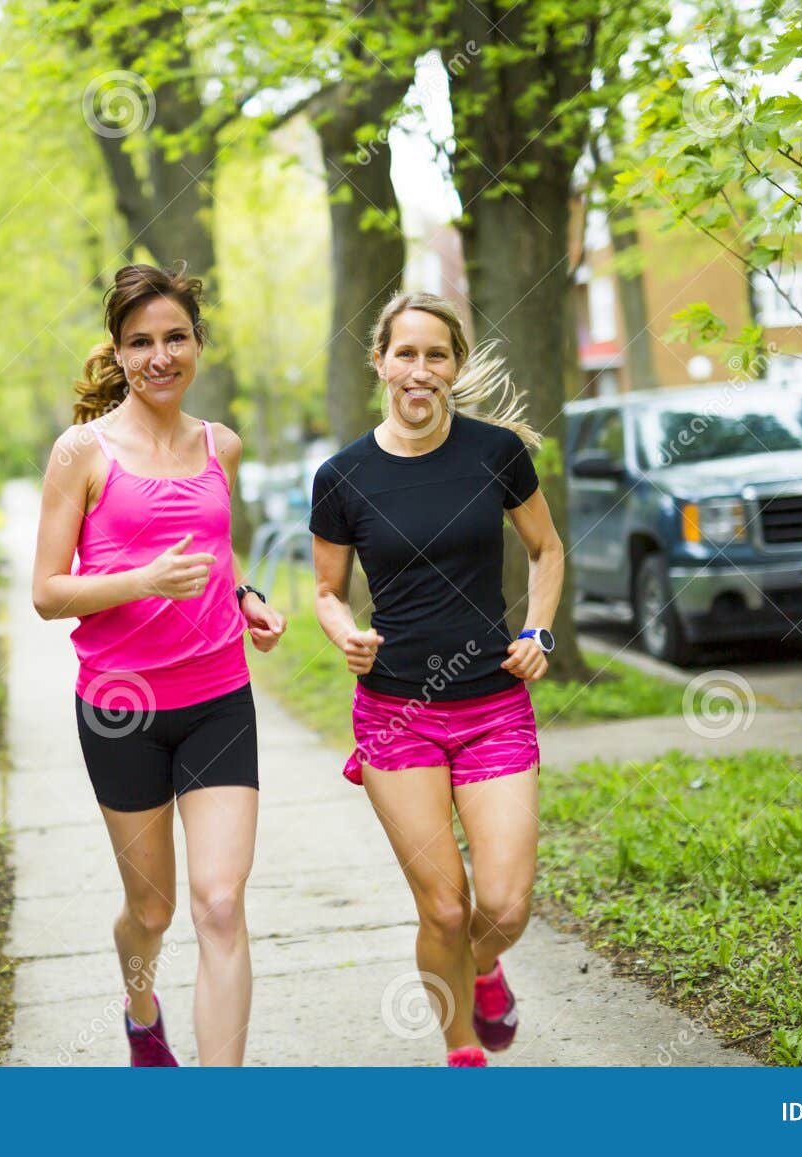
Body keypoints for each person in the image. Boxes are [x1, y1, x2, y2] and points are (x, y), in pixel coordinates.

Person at [32, 263, 285, 1067]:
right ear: (118, 352)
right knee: (154, 910)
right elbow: (46, 591)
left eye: (175, 337)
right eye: (141, 342)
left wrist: (244, 594)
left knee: (219, 903)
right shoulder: (83, 450)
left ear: (197, 344)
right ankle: (142, 1010)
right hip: (121, 708)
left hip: (217, 695)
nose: (160, 355)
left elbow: (214, 548)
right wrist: (141, 582)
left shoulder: (223, 446)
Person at [308, 292, 563, 1067]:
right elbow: (325, 590)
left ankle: (484, 966)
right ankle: (463, 1054)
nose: (420, 369)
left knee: (505, 905)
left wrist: (539, 630)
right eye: (406, 353)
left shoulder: (495, 453)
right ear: (379, 361)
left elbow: (546, 550)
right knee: (444, 906)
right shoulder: (343, 474)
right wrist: (345, 631)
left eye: (437, 354)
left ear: (455, 365)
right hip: (396, 716)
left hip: (493, 707)